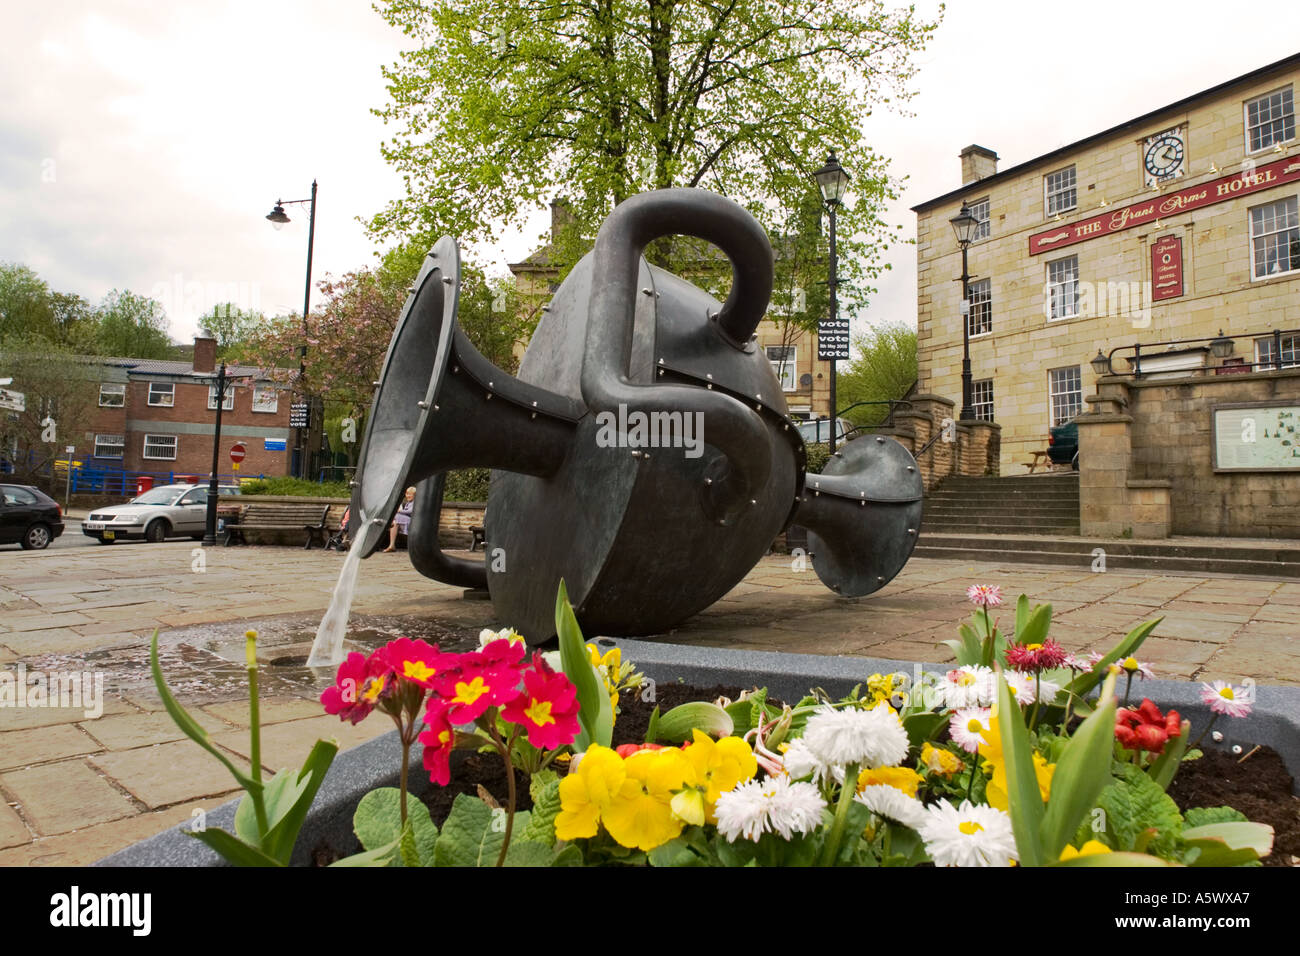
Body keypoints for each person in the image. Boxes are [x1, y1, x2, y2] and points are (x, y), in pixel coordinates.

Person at [384, 486, 416, 552]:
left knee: (395, 516)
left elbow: (411, 511)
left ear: (415, 495)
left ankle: (386, 522)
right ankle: (392, 545)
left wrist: (399, 511)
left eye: (410, 494)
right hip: (405, 520)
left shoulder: (415, 502)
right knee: (394, 524)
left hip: (411, 521)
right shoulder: (408, 503)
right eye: (407, 494)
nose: (407, 495)